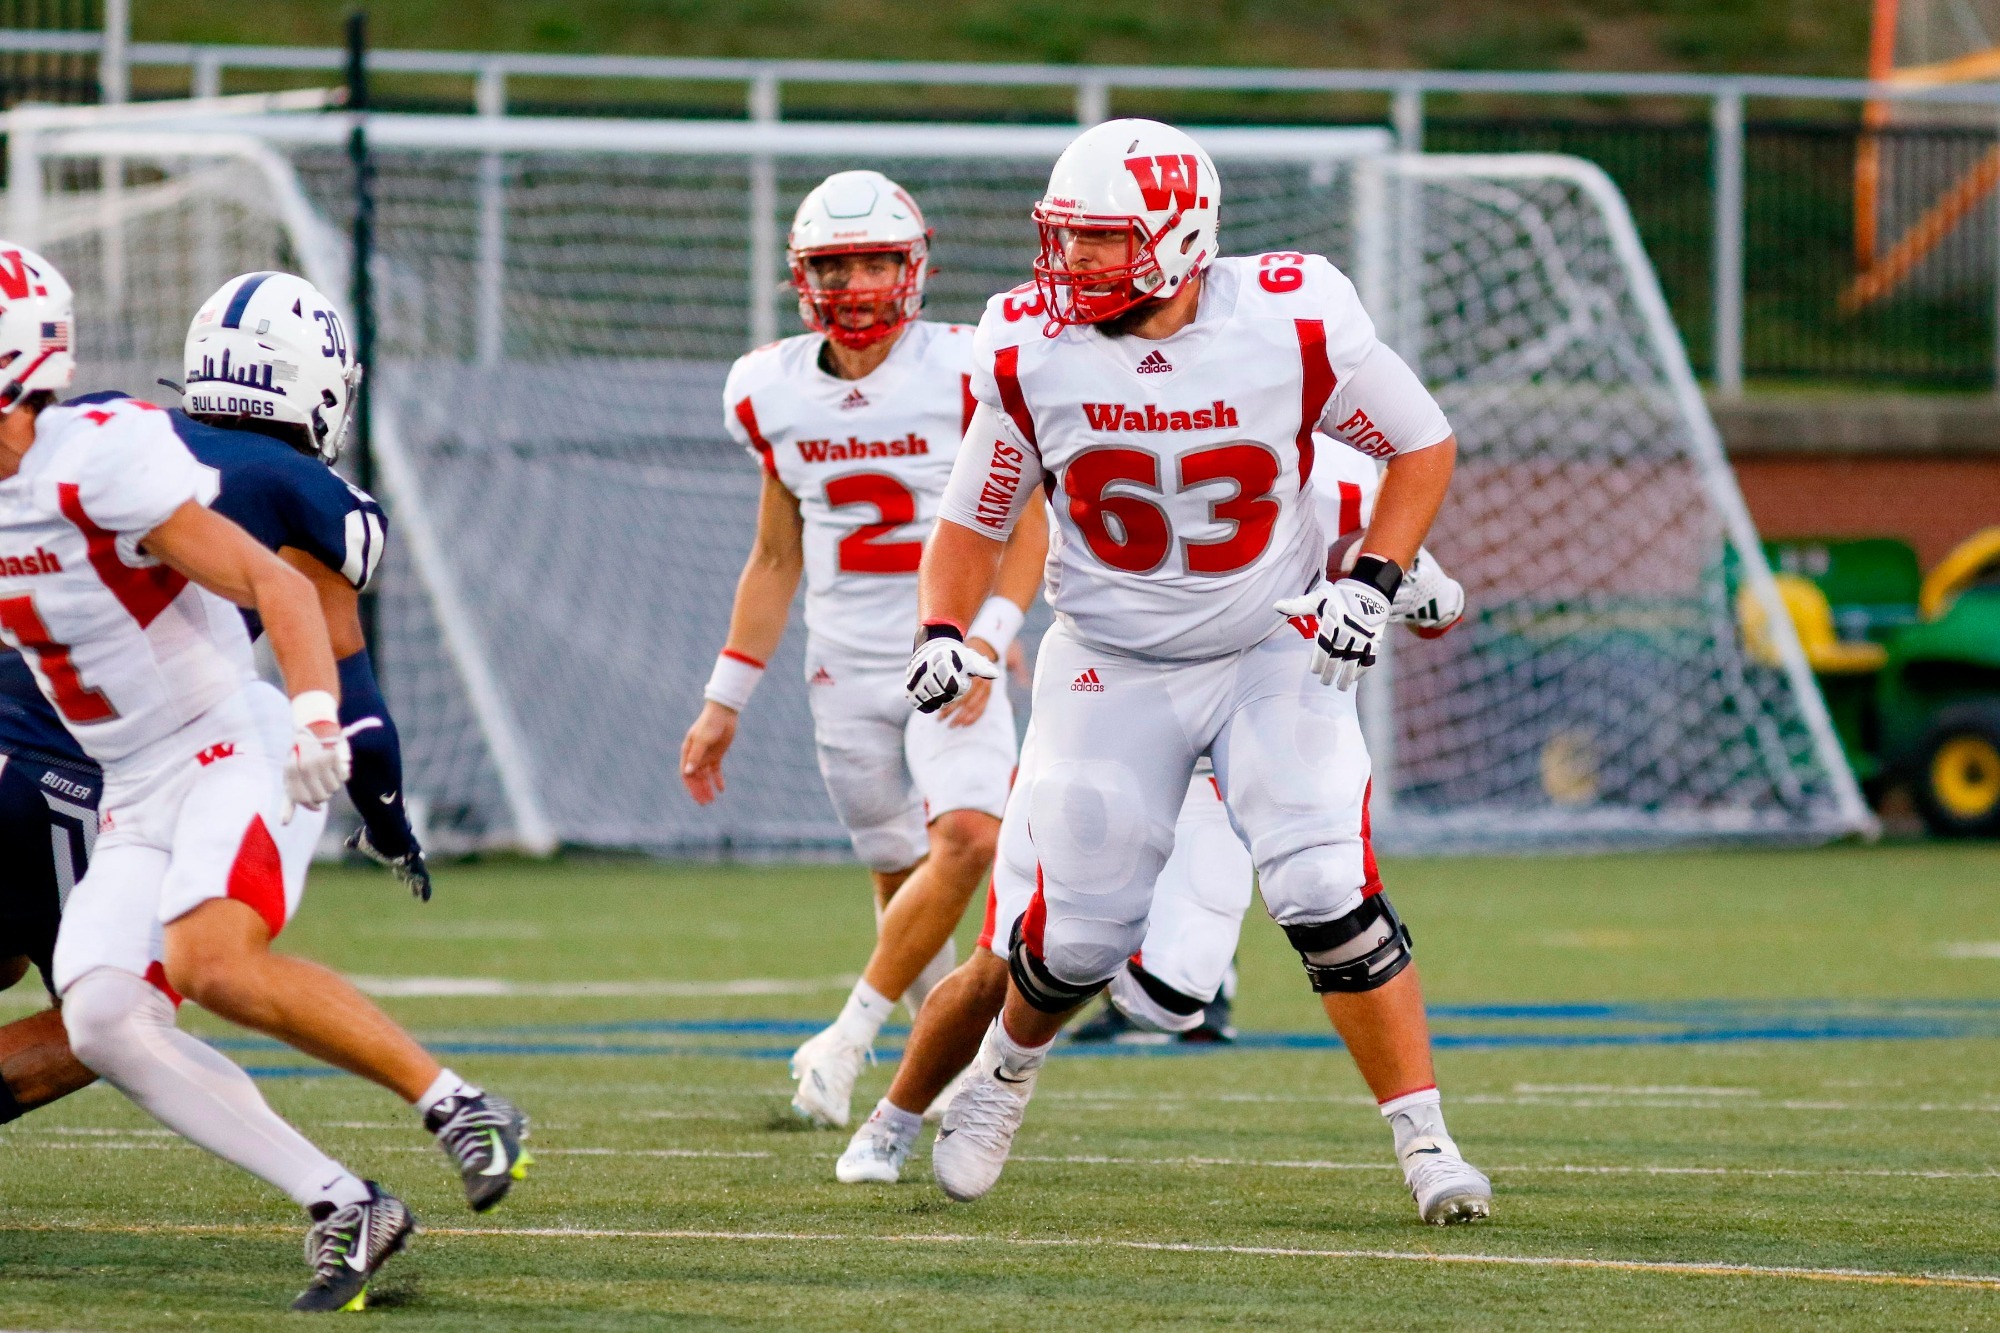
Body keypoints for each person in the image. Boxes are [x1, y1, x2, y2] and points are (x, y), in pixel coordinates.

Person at [898, 118, 1492, 1225]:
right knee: (1077, 933)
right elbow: (973, 516)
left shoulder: (1289, 320)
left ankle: (1424, 1141)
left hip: (1268, 642)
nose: (1068, 262)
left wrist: (1369, 580)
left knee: (1323, 885)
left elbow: (1419, 442)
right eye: (1063, 237)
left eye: (1098, 240)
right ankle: (1004, 1076)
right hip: (1112, 663)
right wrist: (941, 628)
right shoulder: (1029, 348)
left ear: (1178, 240)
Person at [0, 253, 527, 1311]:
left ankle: (460, 1104)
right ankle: (345, 1200)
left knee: (210, 960)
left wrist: (314, 715)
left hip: (230, 740)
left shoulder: (98, 454)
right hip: (131, 782)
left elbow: (274, 582)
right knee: (104, 1020)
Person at [836, 439, 1466, 1185]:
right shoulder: (1116, 406)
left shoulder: (1337, 460)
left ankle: (1425, 1139)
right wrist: (960, 629)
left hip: (1229, 745)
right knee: (1009, 958)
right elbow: (1002, 510)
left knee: (1173, 995)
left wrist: (1409, 585)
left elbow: (1429, 590)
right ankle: (898, 1118)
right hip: (1113, 710)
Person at [680, 171, 1046, 1129]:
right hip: (841, 667)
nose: (858, 281)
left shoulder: (970, 365)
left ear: (914, 264)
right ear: (802, 276)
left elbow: (1031, 513)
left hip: (949, 653)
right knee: (900, 876)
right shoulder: (771, 389)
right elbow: (772, 555)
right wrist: (726, 697)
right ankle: (941, 1077)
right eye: (836, 263)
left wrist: (989, 633)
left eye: (877, 258)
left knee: (971, 839)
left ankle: (845, 1037)